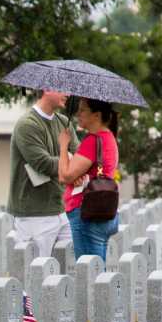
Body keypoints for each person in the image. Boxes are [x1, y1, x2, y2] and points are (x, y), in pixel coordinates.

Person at [8, 89, 72, 261]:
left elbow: (80, 156)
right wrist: (71, 161)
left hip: (60, 209)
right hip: (34, 213)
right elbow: (43, 163)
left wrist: (75, 164)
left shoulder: (63, 122)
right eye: (61, 88)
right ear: (46, 89)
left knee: (66, 274)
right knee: (36, 275)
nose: (68, 93)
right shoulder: (27, 124)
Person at [59, 97, 121, 263]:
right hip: (105, 210)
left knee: (89, 275)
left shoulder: (92, 141)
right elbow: (90, 170)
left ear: (96, 115)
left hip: (86, 211)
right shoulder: (109, 138)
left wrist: (63, 146)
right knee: (98, 269)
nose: (78, 114)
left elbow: (64, 175)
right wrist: (79, 174)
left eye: (83, 110)